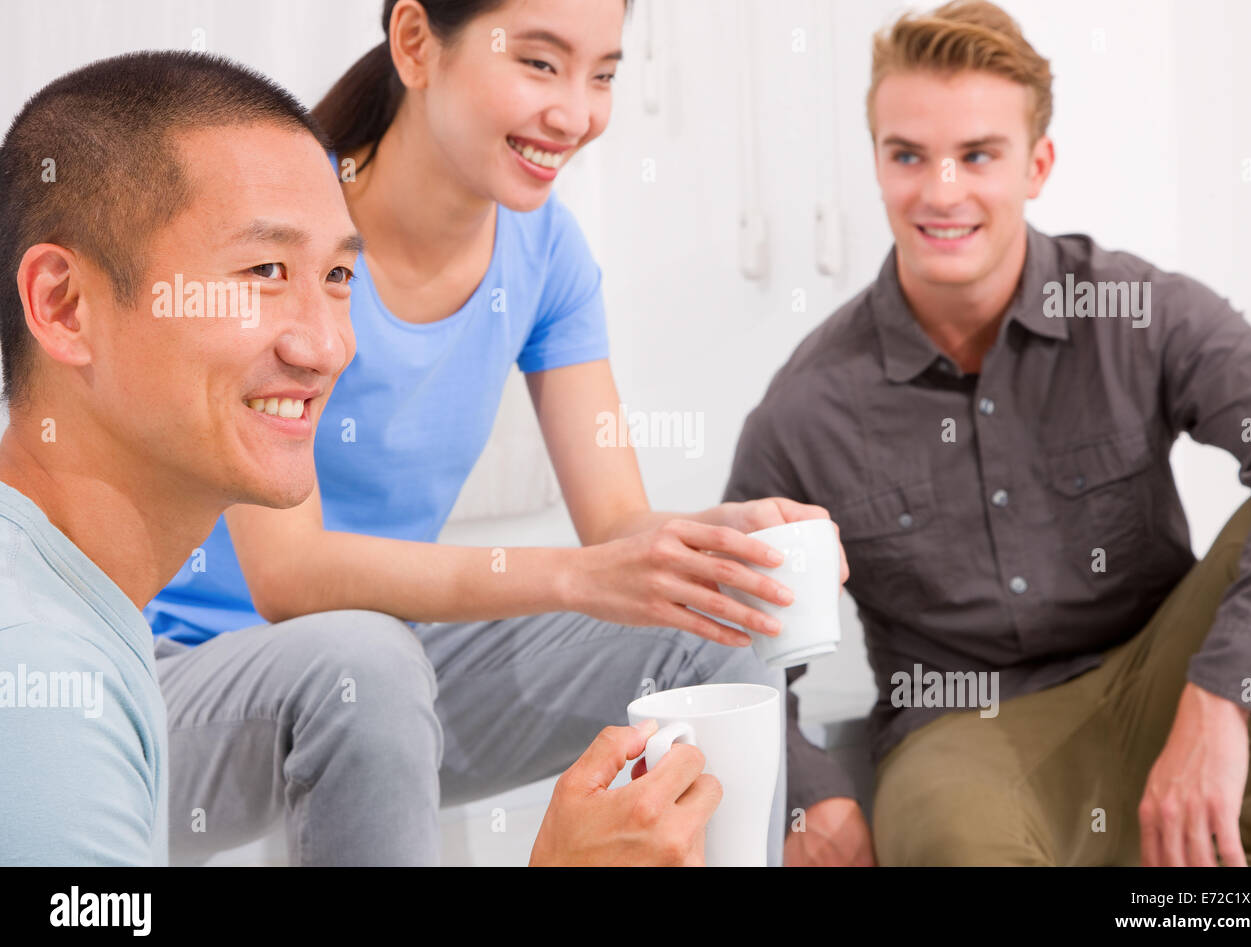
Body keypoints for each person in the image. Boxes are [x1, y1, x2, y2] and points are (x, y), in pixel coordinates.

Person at [145, 0, 846, 866]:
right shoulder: (288, 230)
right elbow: (290, 577)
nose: (576, 112)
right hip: (186, 681)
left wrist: (720, 547)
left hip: (385, 676)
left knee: (712, 622)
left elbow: (618, 522)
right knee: (366, 658)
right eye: (540, 63)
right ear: (415, 44)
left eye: (604, 74)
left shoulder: (545, 252)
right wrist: (574, 578)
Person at [0, 49, 723, 867]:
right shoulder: (37, 681)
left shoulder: (74, 620)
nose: (331, 346)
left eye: (341, 274)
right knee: (369, 660)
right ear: (63, 305)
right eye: (264, 271)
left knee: (717, 619)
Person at [726, 0, 1251, 866]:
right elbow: (736, 649)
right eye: (909, 155)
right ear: (878, 165)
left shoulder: (1130, 310)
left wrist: (1223, 691)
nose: (941, 191)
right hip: (963, 732)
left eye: (977, 156)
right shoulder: (807, 410)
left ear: (1037, 165)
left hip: (1163, 681)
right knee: (953, 840)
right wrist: (813, 795)